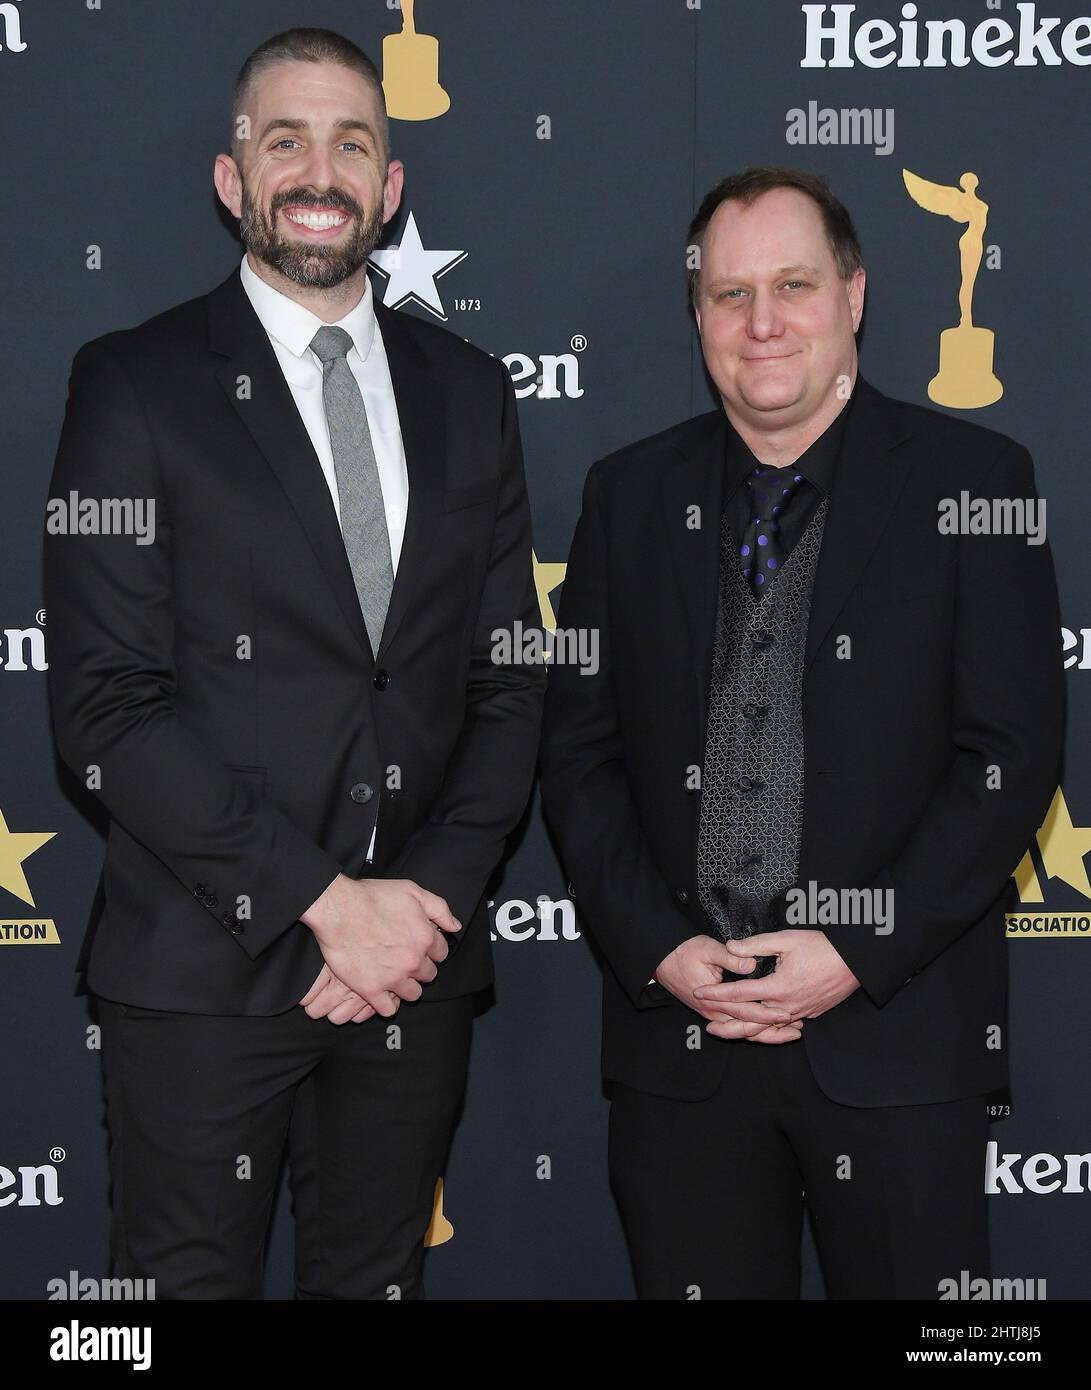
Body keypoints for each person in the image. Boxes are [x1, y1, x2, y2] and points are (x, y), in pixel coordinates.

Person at [43, 27, 544, 1300]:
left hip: (409, 978)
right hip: (202, 976)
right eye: (286, 141)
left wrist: (413, 909)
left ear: (388, 187)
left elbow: (504, 678)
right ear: (233, 179)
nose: (318, 170)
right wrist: (329, 905)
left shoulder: (471, 393)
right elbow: (106, 707)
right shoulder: (134, 385)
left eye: (351, 143)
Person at [539, 166, 1063, 1299]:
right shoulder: (625, 497)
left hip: (896, 1045)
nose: (761, 321)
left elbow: (1008, 756)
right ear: (695, 314)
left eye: (792, 285)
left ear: (854, 295)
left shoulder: (977, 483)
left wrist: (855, 951)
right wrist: (662, 951)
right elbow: (578, 755)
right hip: (680, 1054)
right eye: (729, 294)